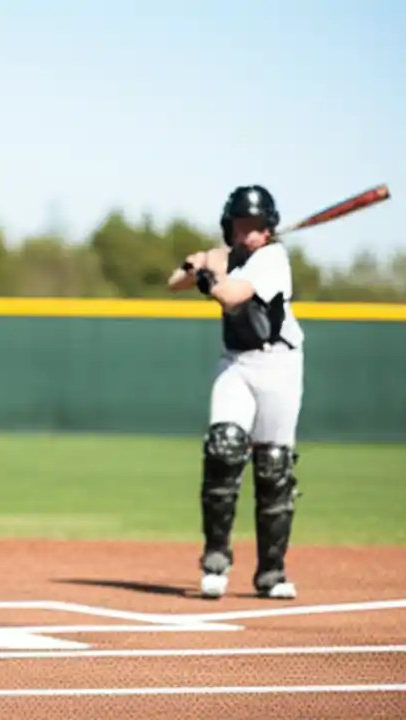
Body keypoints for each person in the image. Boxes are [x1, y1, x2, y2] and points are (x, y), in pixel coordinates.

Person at [167, 184, 304, 600]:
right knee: (224, 448)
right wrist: (201, 263)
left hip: (279, 364)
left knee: (274, 466)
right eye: (242, 225)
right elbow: (173, 282)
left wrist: (209, 272)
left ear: (270, 229)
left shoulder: (273, 259)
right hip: (237, 365)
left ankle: (272, 573)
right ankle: (215, 560)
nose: (250, 233)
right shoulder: (230, 257)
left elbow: (230, 296)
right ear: (230, 228)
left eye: (258, 226)